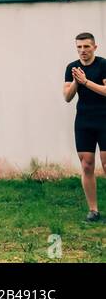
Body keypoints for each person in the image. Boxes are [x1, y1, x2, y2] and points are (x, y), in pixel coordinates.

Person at [63, 32, 106, 221]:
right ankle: (93, 210)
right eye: (79, 47)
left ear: (94, 47)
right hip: (84, 121)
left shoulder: (103, 65)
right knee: (87, 165)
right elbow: (67, 97)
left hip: (104, 119)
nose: (83, 51)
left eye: (86, 47)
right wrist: (75, 82)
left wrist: (86, 82)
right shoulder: (72, 68)